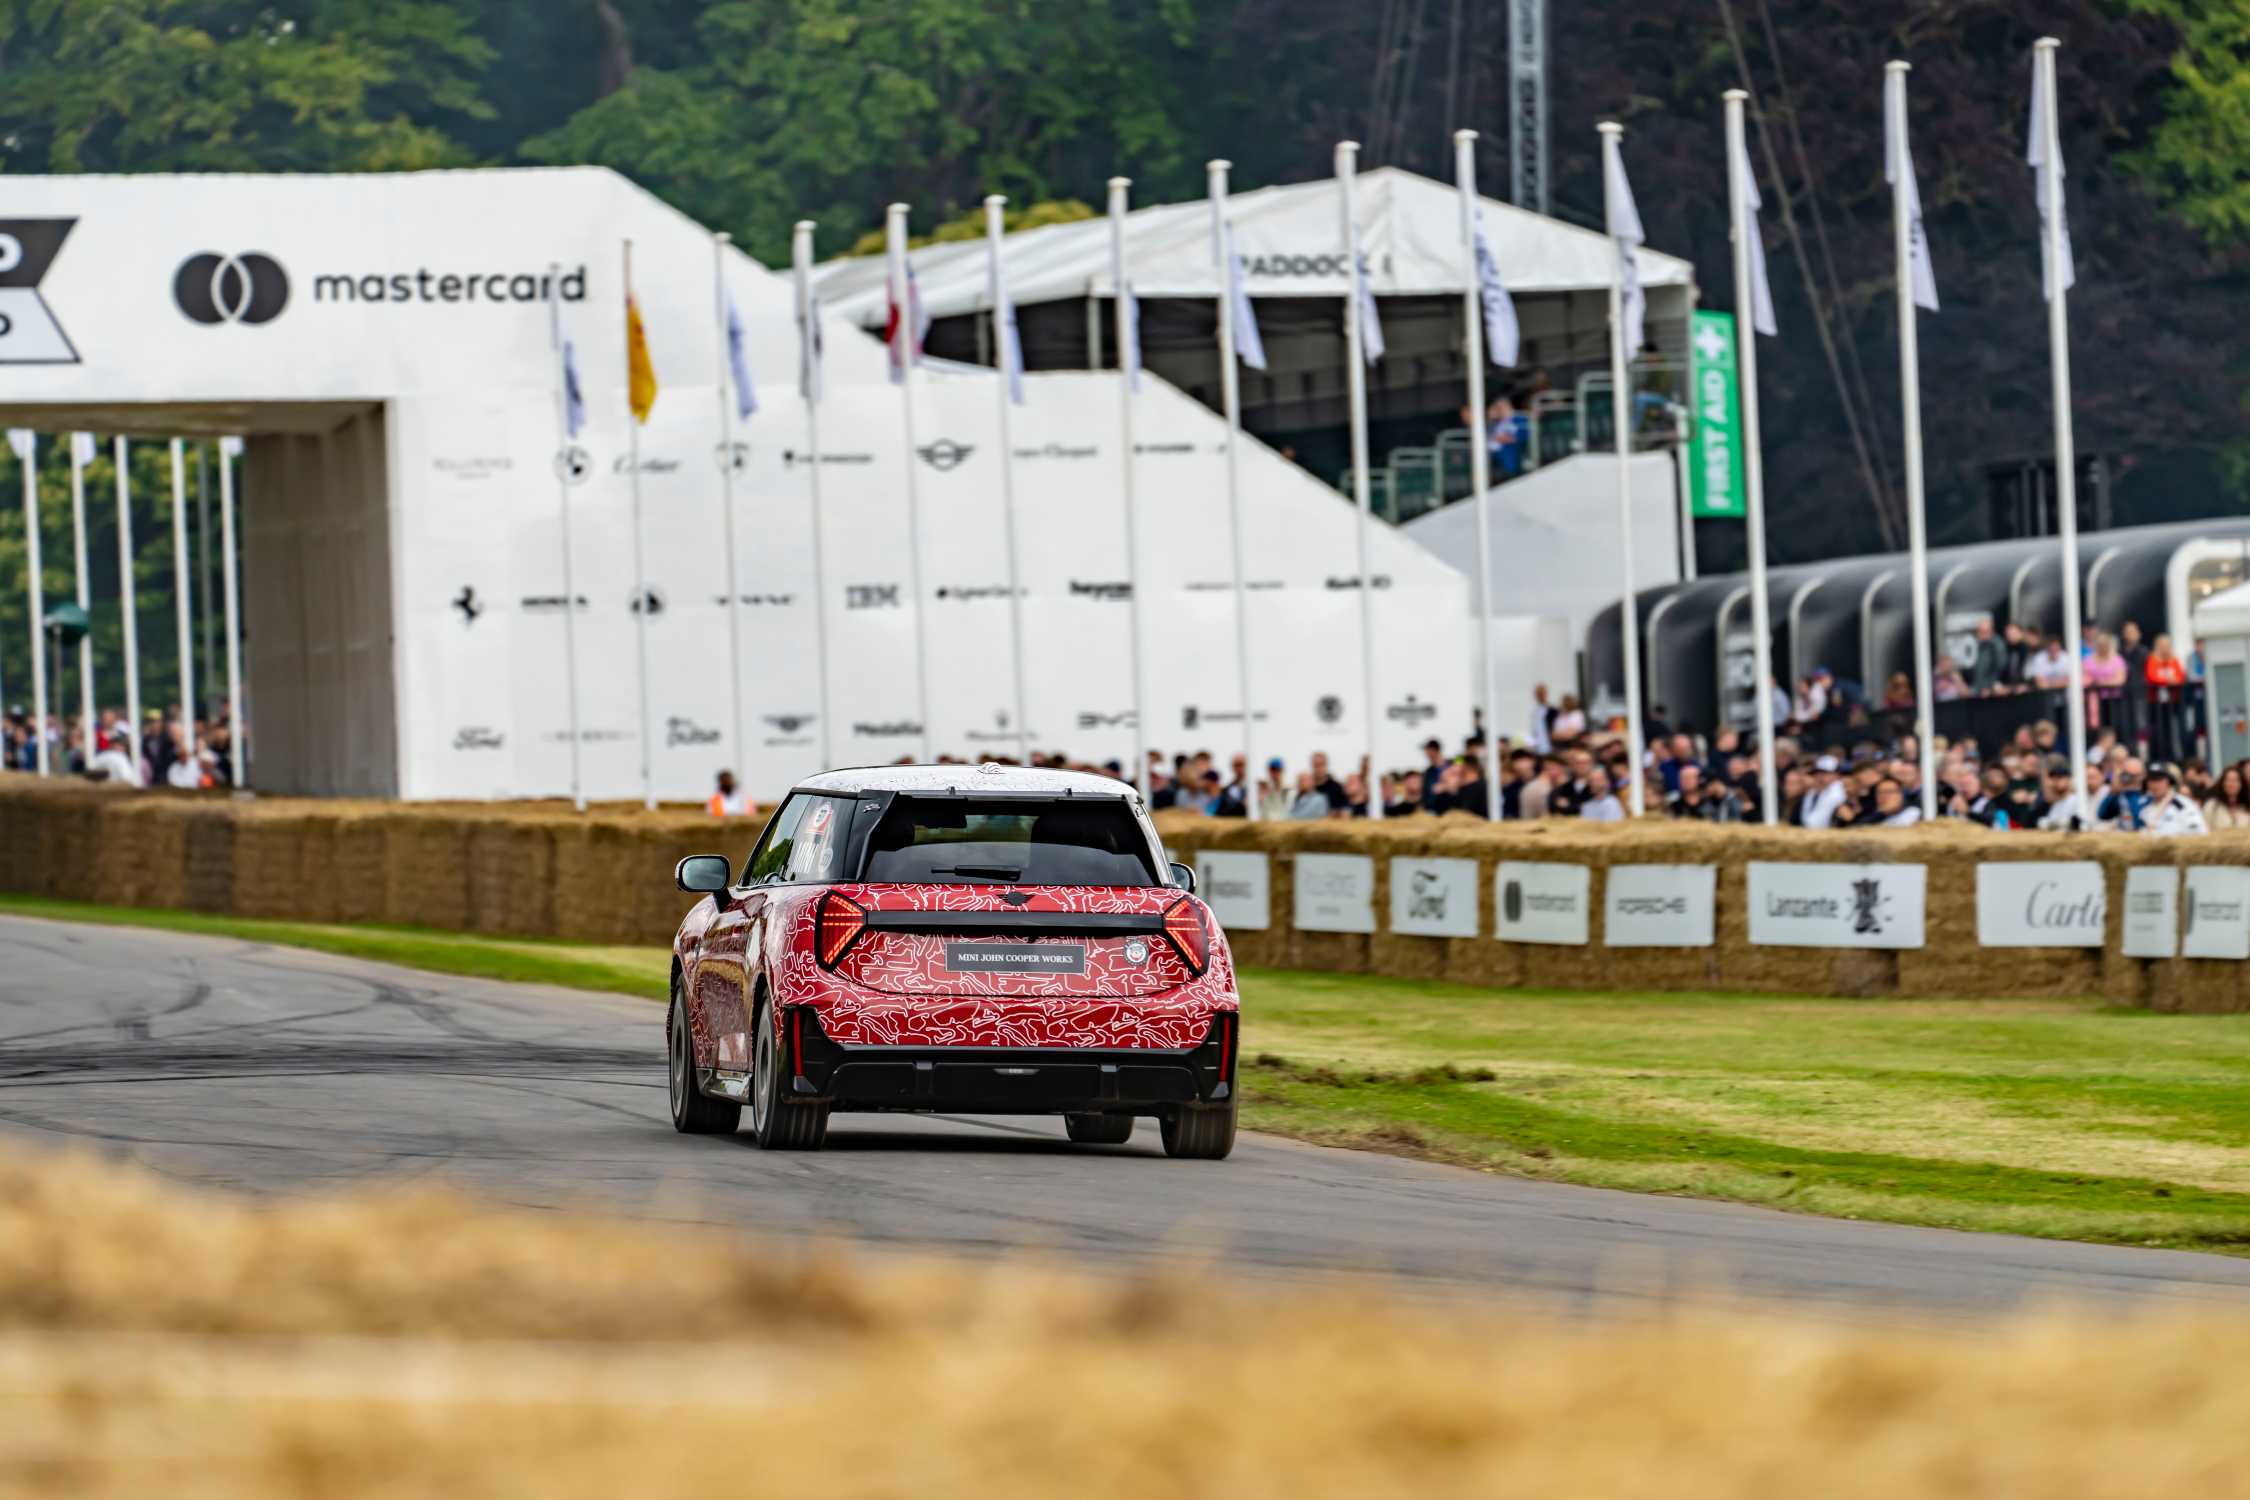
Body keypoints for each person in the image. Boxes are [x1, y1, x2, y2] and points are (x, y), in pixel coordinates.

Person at [2146, 634, 2190, 765]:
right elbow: (2151, 676)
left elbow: (2180, 676)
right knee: (2159, 730)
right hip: (2157, 702)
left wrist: (2172, 681)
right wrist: (2167, 681)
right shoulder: (2152, 660)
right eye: (2162, 645)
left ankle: (2174, 755)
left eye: (2167, 645)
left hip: (2173, 701)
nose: (2165, 648)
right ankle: (2159, 756)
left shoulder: (2174, 660)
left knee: (2173, 729)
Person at [2139, 763, 2208, 836]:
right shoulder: (2143, 805)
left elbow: (2199, 831)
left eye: (2159, 779)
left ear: (2169, 781)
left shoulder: (2182, 805)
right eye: (2151, 780)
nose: (2155, 784)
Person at [2204, 762, 2250, 831]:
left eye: (2235, 780)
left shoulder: (2247, 807)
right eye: (2228, 780)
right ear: (2222, 783)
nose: (2232, 784)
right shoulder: (2211, 806)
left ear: (2241, 784)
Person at [1967, 618, 2008, 695]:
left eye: (1983, 632)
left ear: (1990, 631)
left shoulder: (1997, 644)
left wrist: (1987, 686)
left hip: (1990, 689)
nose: (1979, 634)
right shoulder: (1979, 644)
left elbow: (1999, 667)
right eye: (1978, 631)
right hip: (1977, 687)